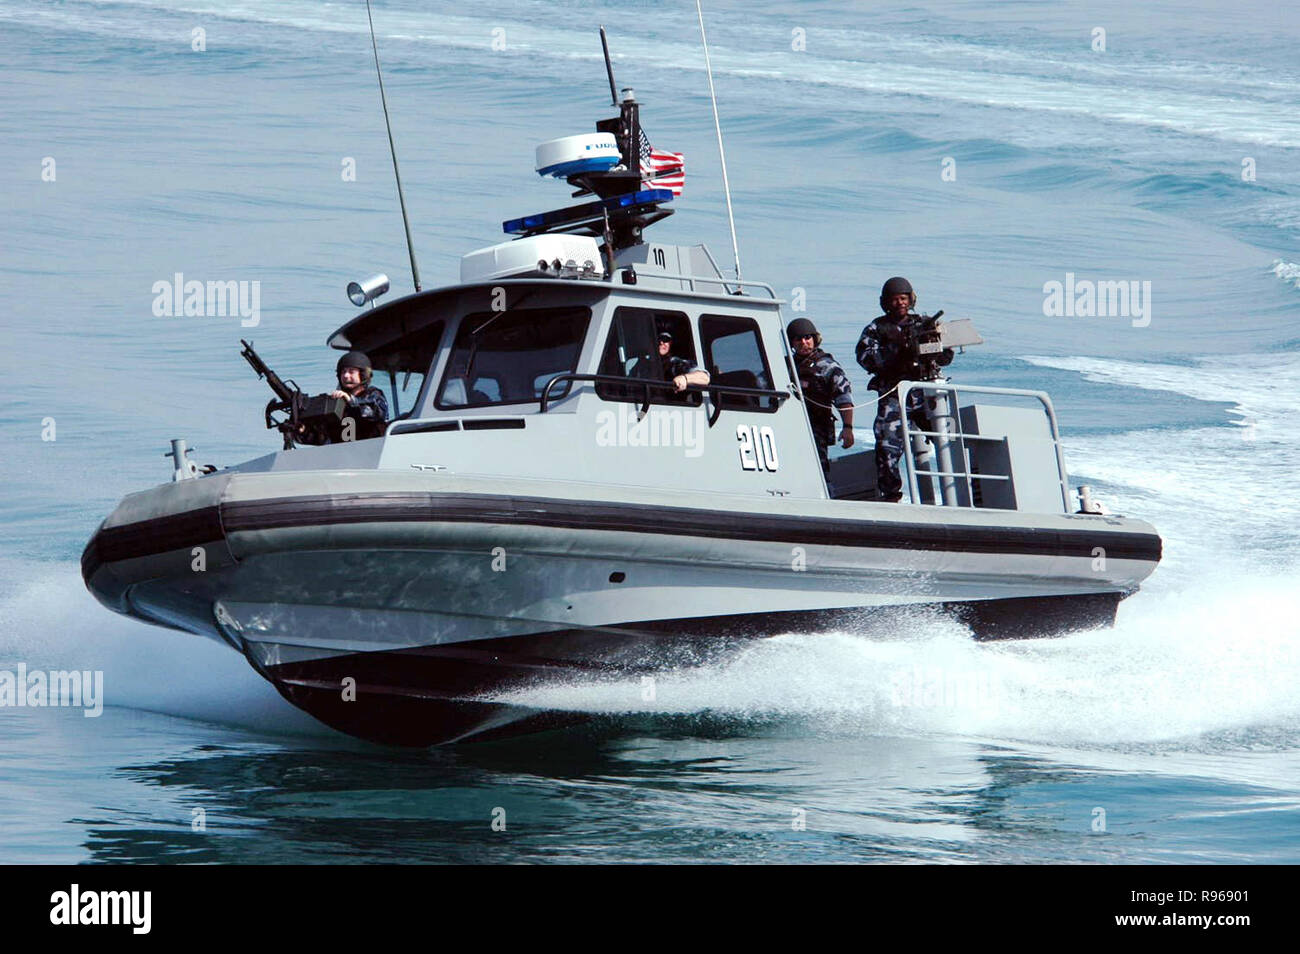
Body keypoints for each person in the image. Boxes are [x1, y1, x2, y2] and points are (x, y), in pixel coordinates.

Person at [855, 277, 952, 501]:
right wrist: (897, 352)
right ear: (886, 302)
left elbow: (946, 356)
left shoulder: (925, 324)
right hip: (894, 395)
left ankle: (960, 489)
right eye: (895, 299)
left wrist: (934, 345)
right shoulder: (876, 328)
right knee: (887, 446)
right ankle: (891, 497)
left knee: (949, 441)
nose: (900, 303)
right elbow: (864, 357)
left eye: (904, 298)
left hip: (926, 393)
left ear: (911, 299)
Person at [787, 317, 854, 479]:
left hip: (816, 428)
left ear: (814, 339)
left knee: (818, 470)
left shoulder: (828, 367)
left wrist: (848, 428)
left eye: (807, 338)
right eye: (798, 339)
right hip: (790, 426)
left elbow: (844, 398)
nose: (804, 342)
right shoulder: (785, 365)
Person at [329, 350, 389, 441]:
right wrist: (304, 431)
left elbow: (376, 411)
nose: (345, 375)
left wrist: (352, 401)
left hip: (373, 450)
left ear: (363, 375)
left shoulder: (374, 395)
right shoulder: (339, 405)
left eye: (351, 371)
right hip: (344, 452)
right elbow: (325, 437)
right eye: (343, 371)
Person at [632, 330, 710, 394]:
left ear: (670, 344)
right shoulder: (641, 366)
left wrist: (685, 378)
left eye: (665, 340)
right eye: (658, 340)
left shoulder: (674, 363)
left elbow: (704, 377)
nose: (661, 343)